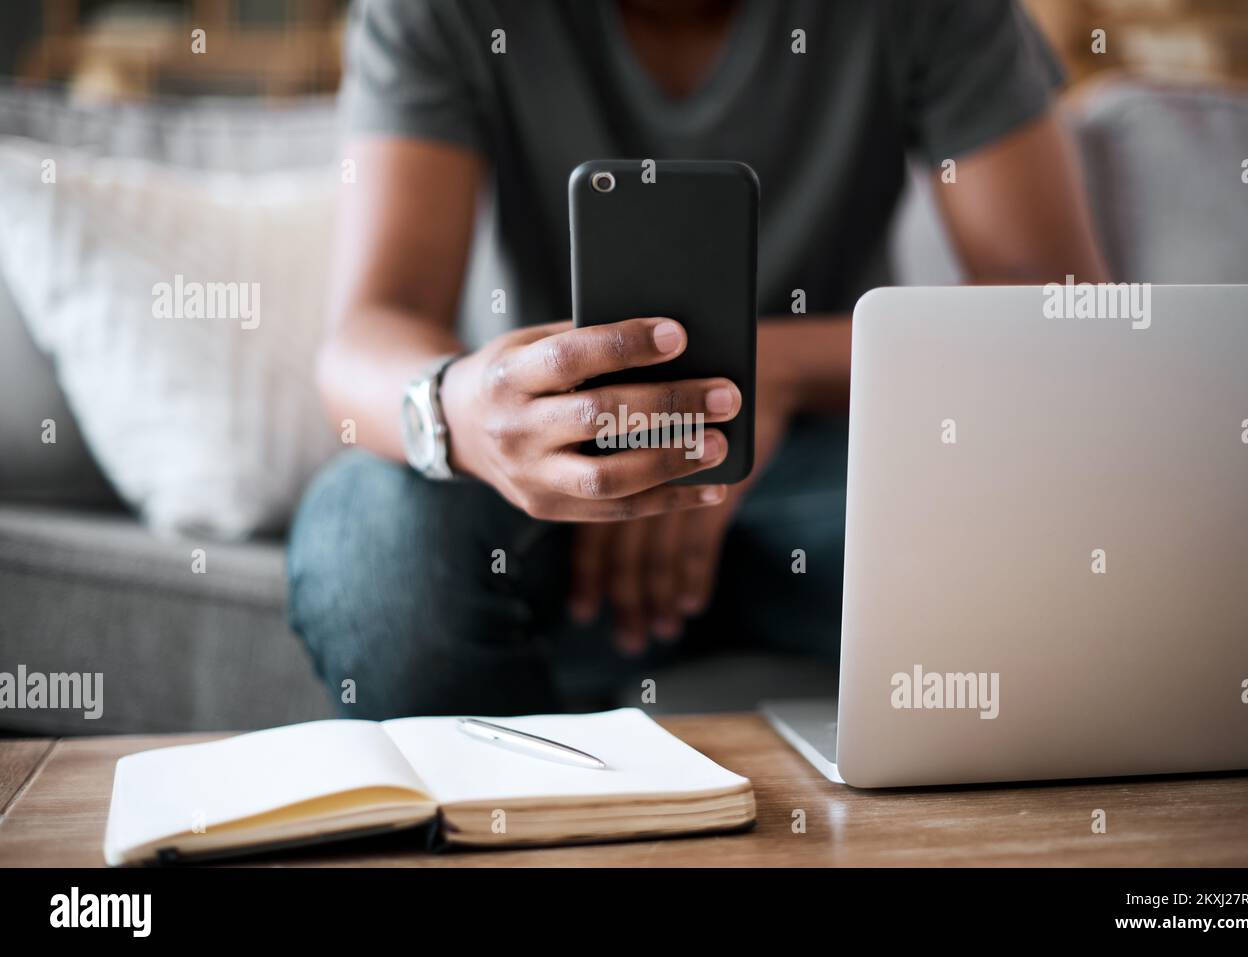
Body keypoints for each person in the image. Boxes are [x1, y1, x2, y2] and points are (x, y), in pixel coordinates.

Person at [287, 0, 1109, 718]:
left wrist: (767, 373)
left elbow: (1059, 314)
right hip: (559, 482)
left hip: (840, 471)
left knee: (1069, 531)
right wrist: (466, 409)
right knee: (370, 545)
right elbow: (368, 332)